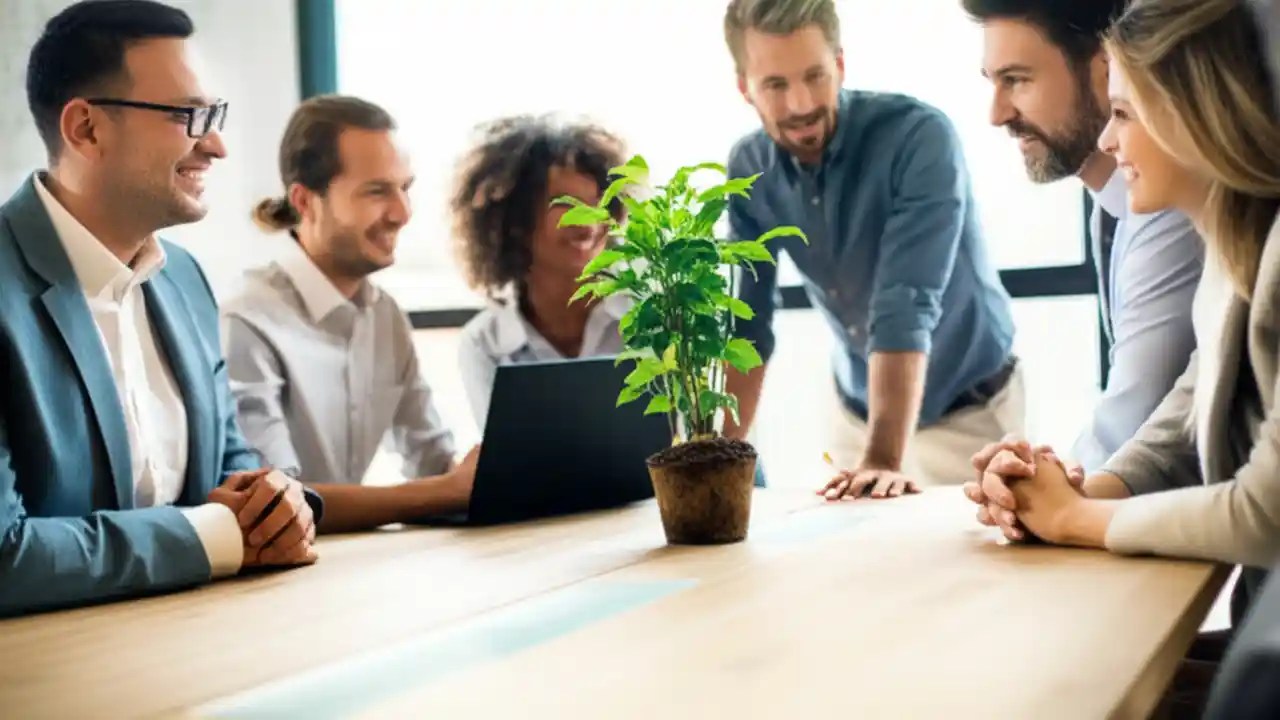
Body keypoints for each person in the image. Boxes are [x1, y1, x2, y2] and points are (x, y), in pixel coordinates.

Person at [0, 0, 318, 616]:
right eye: (189, 116)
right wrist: (218, 535)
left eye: (214, 115)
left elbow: (231, 473)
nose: (217, 145)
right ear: (86, 128)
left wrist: (279, 504)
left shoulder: (186, 282)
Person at [967, 0, 1280, 583]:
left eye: (1123, 113)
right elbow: (1176, 437)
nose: (1109, 141)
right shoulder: (1230, 260)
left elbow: (1265, 515)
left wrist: (1073, 517)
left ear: (1192, 114)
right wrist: (1049, 494)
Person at [722, 0, 1023, 498]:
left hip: (971, 412)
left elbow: (905, 301)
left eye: (815, 75)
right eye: (775, 85)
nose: (800, 104)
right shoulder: (748, 167)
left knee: (970, 572)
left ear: (840, 64)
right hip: (856, 409)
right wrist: (718, 460)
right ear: (744, 88)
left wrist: (882, 459)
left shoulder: (918, 137)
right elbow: (748, 325)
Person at [964, 0, 1201, 473]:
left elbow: (1130, 427)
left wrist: (1049, 489)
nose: (996, 113)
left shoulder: (1171, 208)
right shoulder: (1112, 206)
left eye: (1017, 80)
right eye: (992, 82)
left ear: (1104, 68)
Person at [223, 96, 478, 534]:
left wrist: (485, 475)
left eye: (405, 187)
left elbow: (433, 465)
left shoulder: (385, 316)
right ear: (305, 201)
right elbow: (274, 502)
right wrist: (447, 490)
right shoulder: (248, 322)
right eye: (377, 191)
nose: (402, 212)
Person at [452, 114, 629, 431]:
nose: (589, 223)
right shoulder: (485, 344)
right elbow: (511, 464)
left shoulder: (650, 319)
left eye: (597, 203)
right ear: (515, 221)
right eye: (566, 204)